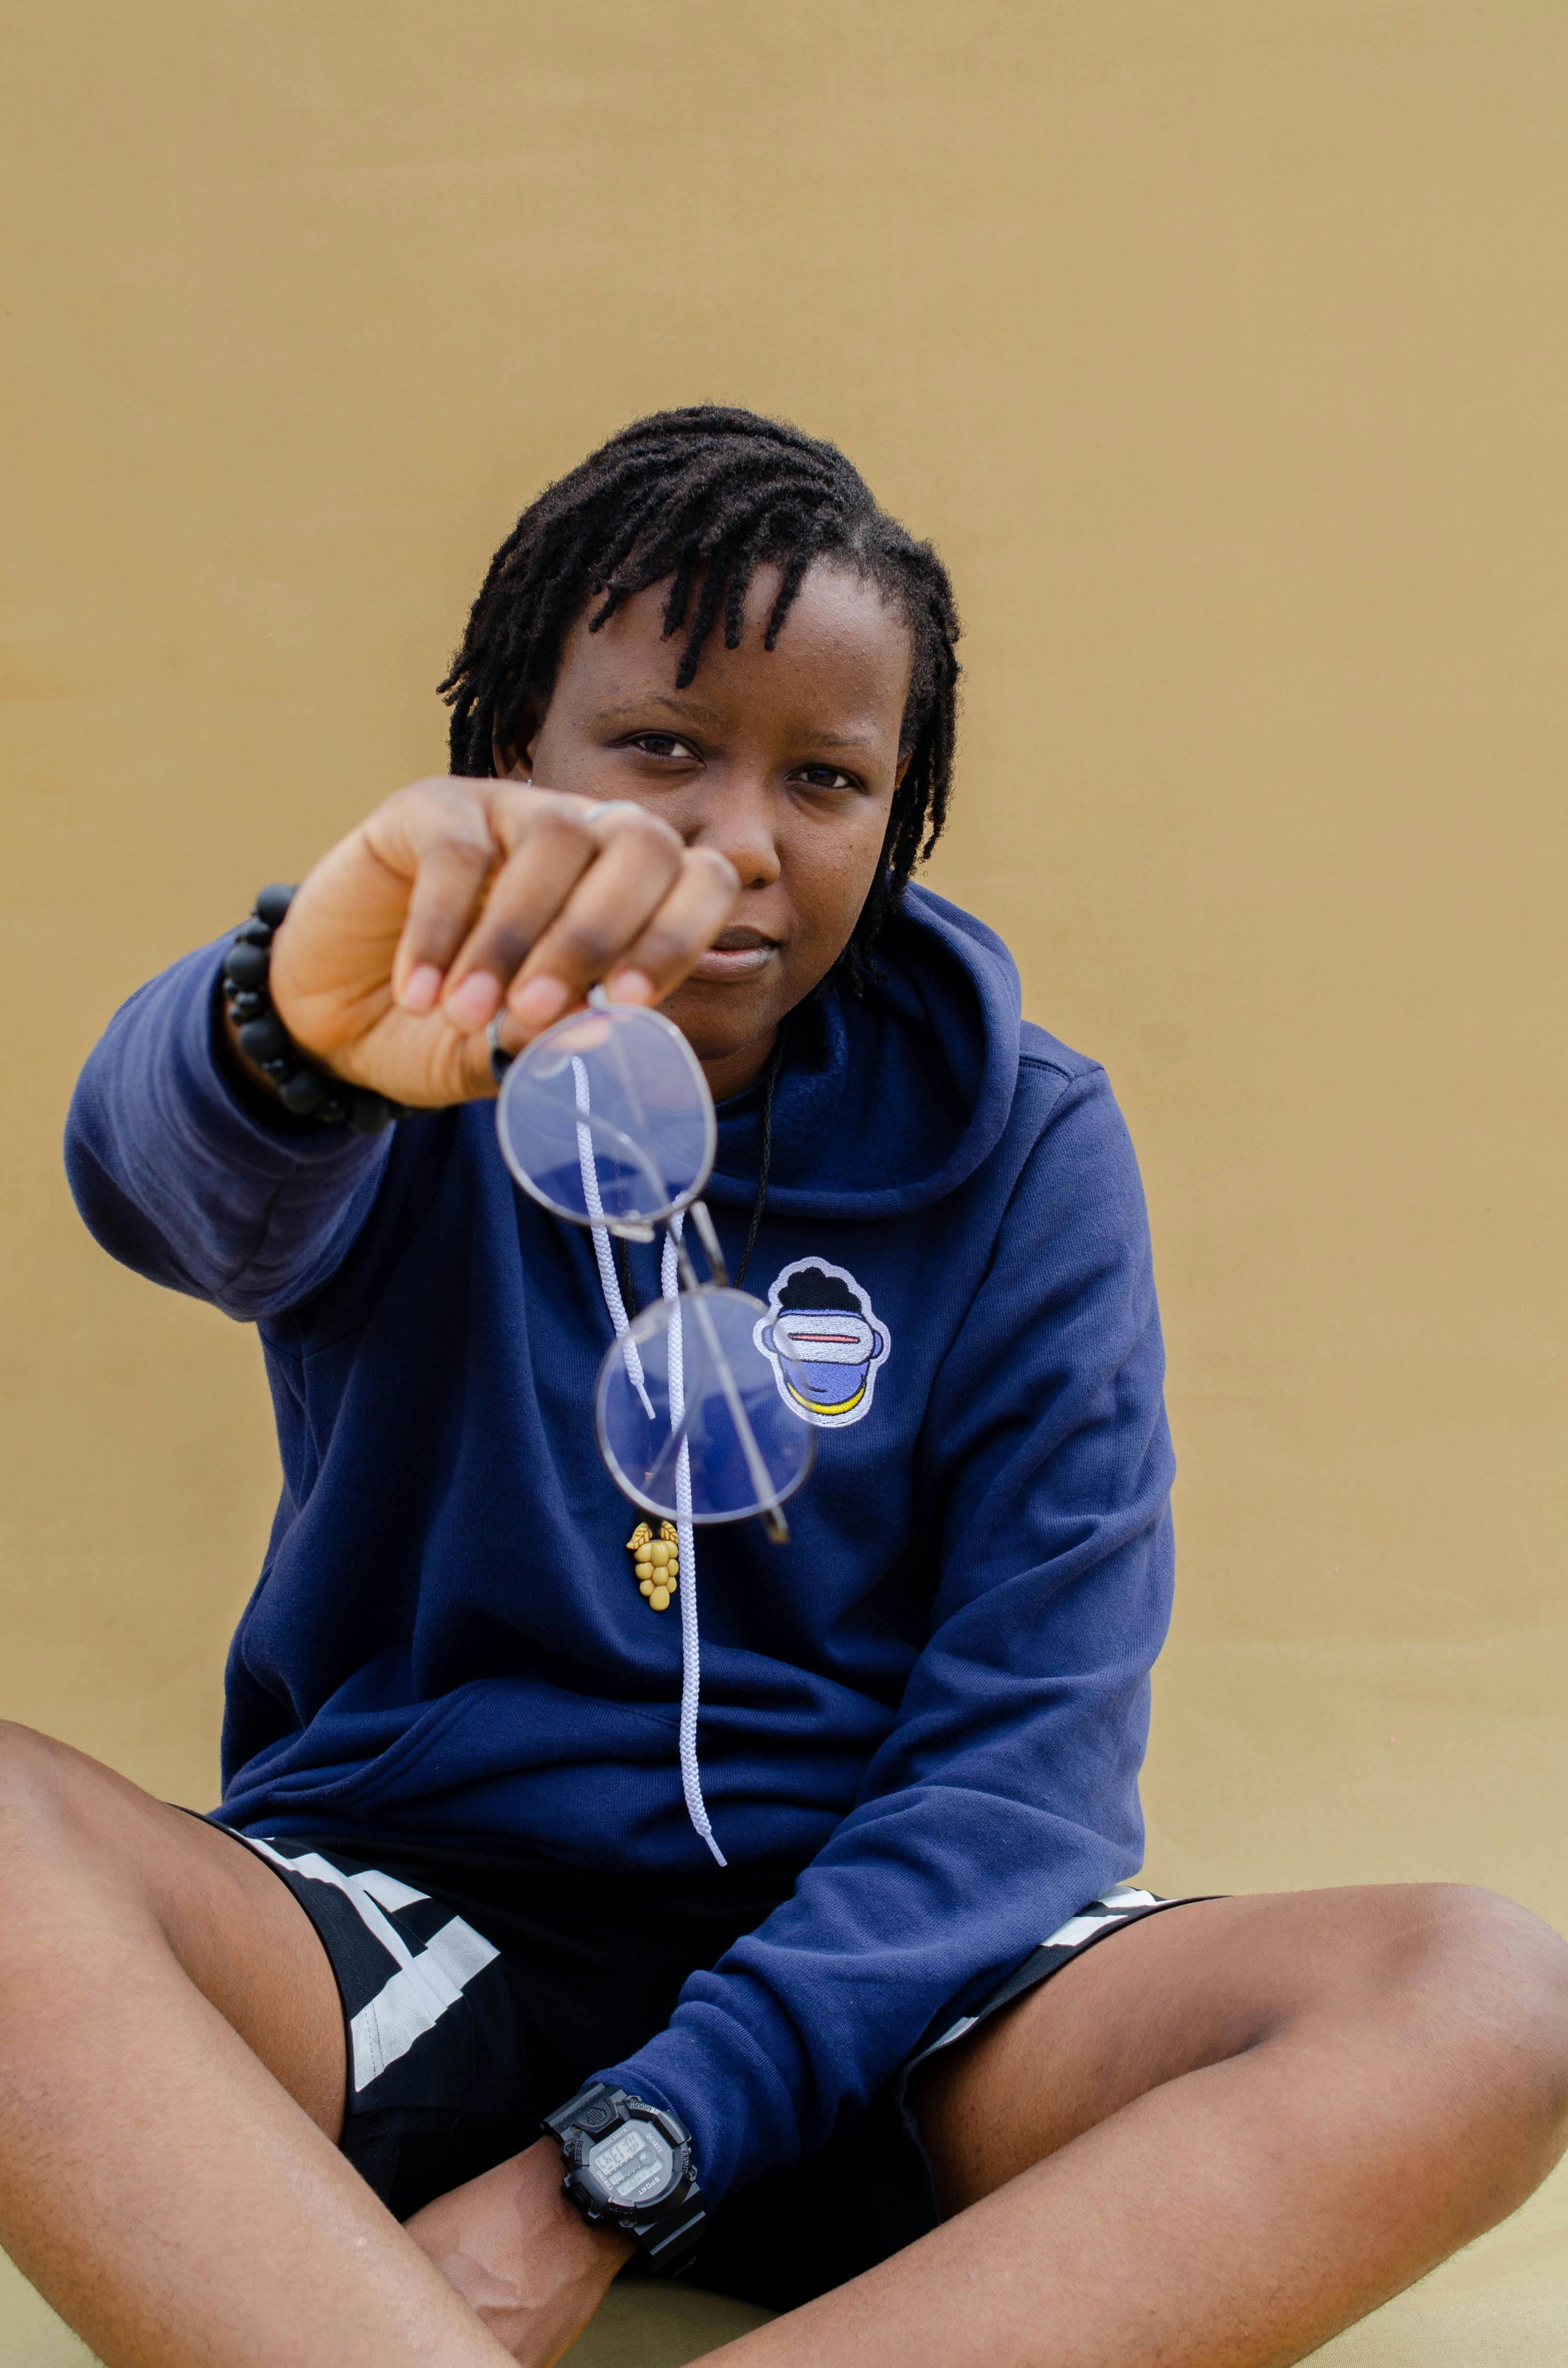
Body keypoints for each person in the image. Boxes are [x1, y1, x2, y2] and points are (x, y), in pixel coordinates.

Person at [11, 405, 1562, 2368]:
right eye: (662, 744)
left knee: (1483, 1997)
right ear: (516, 751)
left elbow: (1026, 1761)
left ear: (898, 816)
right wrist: (280, 1032)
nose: (736, 843)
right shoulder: (388, 1048)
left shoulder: (1024, 1142)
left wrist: (622, 2161)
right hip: (408, 1931)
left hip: (891, 1986)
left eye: (825, 777)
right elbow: (167, 1188)